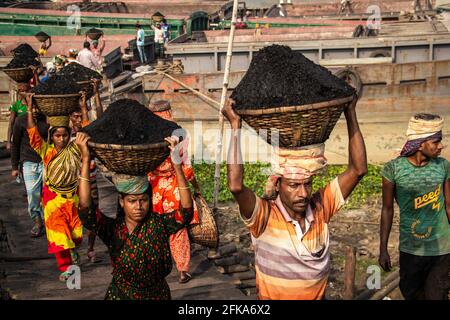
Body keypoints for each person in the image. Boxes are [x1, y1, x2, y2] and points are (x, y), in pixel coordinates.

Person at [222, 95, 367, 300]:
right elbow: (236, 186)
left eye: (307, 184)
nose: (304, 193)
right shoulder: (264, 216)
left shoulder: (320, 208)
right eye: (294, 185)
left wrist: (350, 112)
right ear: (278, 184)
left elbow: (358, 170)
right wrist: (235, 127)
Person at [76, 132, 194, 300]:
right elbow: (86, 210)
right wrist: (86, 160)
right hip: (122, 295)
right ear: (122, 201)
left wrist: (176, 164)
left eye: (143, 200)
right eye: (132, 201)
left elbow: (186, 212)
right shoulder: (113, 229)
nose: (138, 206)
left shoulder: (159, 224)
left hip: (157, 295)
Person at [379, 113, 450, 300]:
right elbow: (387, 209)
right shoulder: (393, 169)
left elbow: (449, 207)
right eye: (436, 142)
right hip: (411, 248)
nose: (441, 146)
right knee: (410, 292)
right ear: (420, 143)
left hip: (442, 249)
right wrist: (383, 248)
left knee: (437, 294)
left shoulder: (443, 166)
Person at [26, 92, 84, 281]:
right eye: (57, 135)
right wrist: (29, 109)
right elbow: (33, 134)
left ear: (69, 135)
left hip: (72, 199)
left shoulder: (75, 149)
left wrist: (83, 108)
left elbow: (86, 134)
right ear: (52, 136)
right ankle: (66, 268)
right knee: (59, 235)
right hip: (52, 200)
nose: (61, 138)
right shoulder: (47, 151)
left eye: (64, 135)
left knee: (75, 235)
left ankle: (73, 254)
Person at [147, 100, 201, 284]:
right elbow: (186, 166)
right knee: (178, 229)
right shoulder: (180, 134)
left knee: (157, 228)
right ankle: (183, 270)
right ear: (169, 111)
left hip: (154, 189)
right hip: (176, 188)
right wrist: (196, 187)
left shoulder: (147, 133)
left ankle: (156, 267)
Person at [69, 79, 102, 263]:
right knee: (74, 217)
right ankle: (73, 249)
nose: (79, 120)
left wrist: (94, 94)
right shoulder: (64, 135)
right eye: (75, 117)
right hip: (72, 183)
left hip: (92, 181)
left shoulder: (89, 133)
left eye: (80, 117)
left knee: (92, 216)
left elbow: (98, 117)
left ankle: (90, 249)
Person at [11, 97, 49, 237]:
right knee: (33, 193)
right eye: (31, 107)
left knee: (47, 193)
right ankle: (37, 221)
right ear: (27, 106)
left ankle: (48, 221)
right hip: (28, 161)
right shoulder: (20, 121)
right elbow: (15, 144)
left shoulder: (45, 120)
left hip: (45, 160)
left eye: (36, 108)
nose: (34, 111)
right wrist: (15, 167)